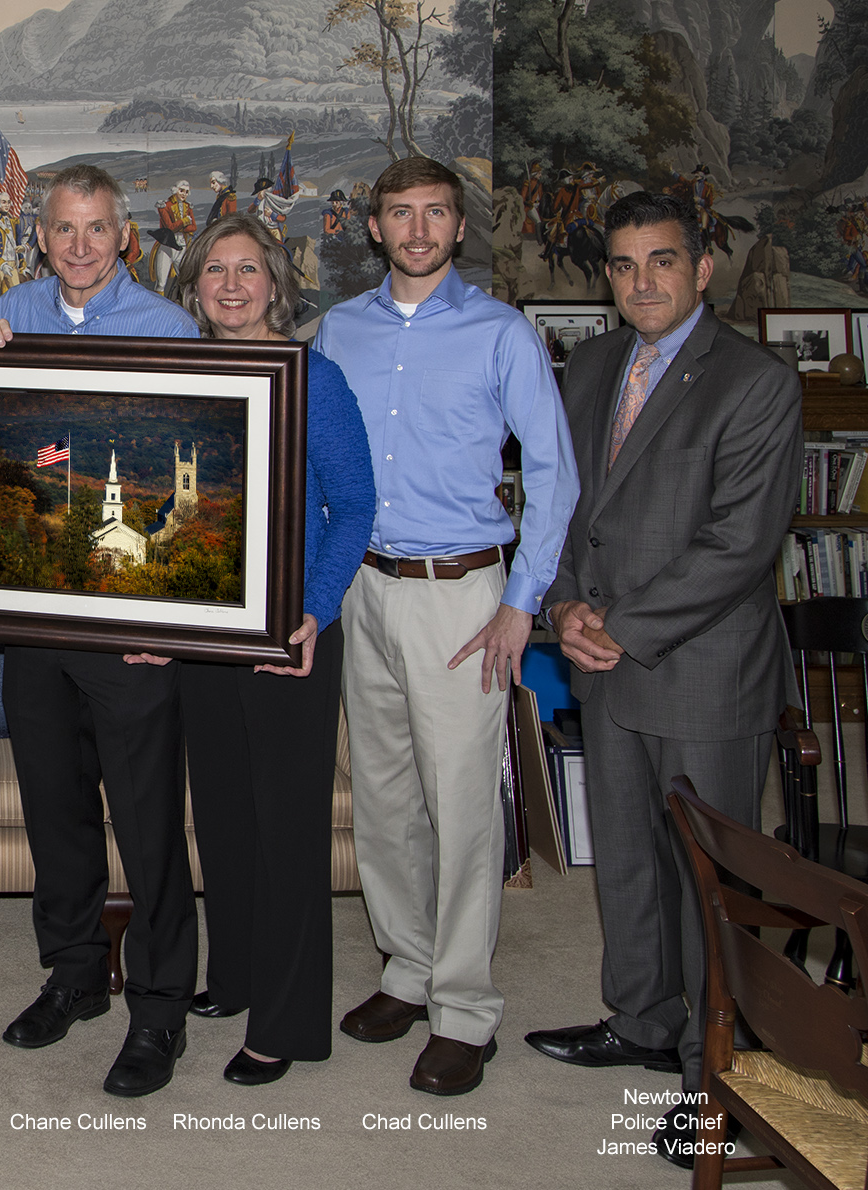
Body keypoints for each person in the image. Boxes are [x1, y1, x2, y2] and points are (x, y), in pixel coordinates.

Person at [523, 191, 799, 1167]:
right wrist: (560, 609)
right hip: (599, 657)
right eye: (623, 264)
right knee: (629, 861)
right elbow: (556, 504)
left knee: (703, 880)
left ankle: (709, 1074)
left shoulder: (754, 381)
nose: (641, 281)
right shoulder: (590, 364)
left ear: (700, 269)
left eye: (661, 262)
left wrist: (619, 628)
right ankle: (638, 1016)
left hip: (697, 670)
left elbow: (737, 543)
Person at [312, 156, 578, 1097]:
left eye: (435, 212)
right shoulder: (337, 330)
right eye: (399, 213)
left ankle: (465, 1009)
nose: (417, 228)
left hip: (464, 594)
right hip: (363, 589)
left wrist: (521, 605)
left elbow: (553, 474)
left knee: (463, 803)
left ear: (459, 227)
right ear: (374, 227)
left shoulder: (502, 334)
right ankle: (407, 968)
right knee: (382, 797)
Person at [0, 164, 201, 1099]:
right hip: (34, 620)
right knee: (56, 812)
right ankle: (74, 974)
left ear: (125, 236)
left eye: (96, 228)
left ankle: (158, 1008)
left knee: (149, 823)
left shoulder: (172, 329)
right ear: (41, 235)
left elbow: (189, 483)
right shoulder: (7, 312)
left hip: (130, 627)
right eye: (63, 229)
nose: (79, 245)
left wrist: (174, 622)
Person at [166, 213, 375, 1087]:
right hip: (203, 636)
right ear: (195, 287)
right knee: (221, 816)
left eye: (249, 269)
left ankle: (286, 1022)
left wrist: (314, 612)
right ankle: (238, 974)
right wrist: (154, 625)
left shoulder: (314, 381)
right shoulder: (179, 375)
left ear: (276, 284)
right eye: (216, 269)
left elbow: (353, 507)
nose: (232, 285)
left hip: (286, 635)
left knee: (288, 829)